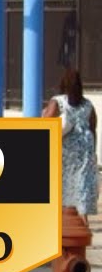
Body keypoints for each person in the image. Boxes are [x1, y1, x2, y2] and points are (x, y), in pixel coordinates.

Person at [43, 68, 97, 216]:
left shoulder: (58, 101)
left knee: (63, 183)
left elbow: (45, 123)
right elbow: (93, 128)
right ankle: (82, 219)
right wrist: (93, 152)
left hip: (65, 149)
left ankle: (63, 218)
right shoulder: (88, 104)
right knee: (81, 183)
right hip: (85, 151)